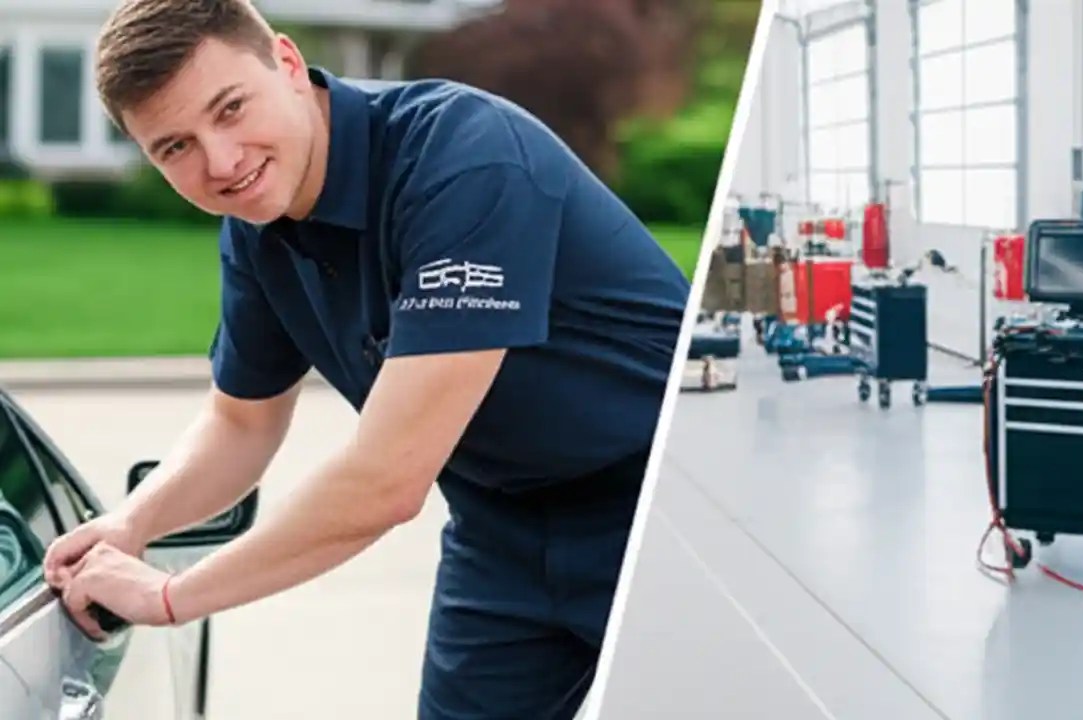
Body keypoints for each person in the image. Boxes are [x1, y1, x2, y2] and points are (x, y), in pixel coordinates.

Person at [41, 1, 691, 717]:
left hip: (662, 508)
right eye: (174, 148)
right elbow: (241, 422)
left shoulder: (463, 158)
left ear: (286, 64)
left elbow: (385, 479)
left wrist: (169, 596)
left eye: (229, 109)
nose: (220, 163)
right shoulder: (259, 225)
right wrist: (133, 523)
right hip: (498, 528)